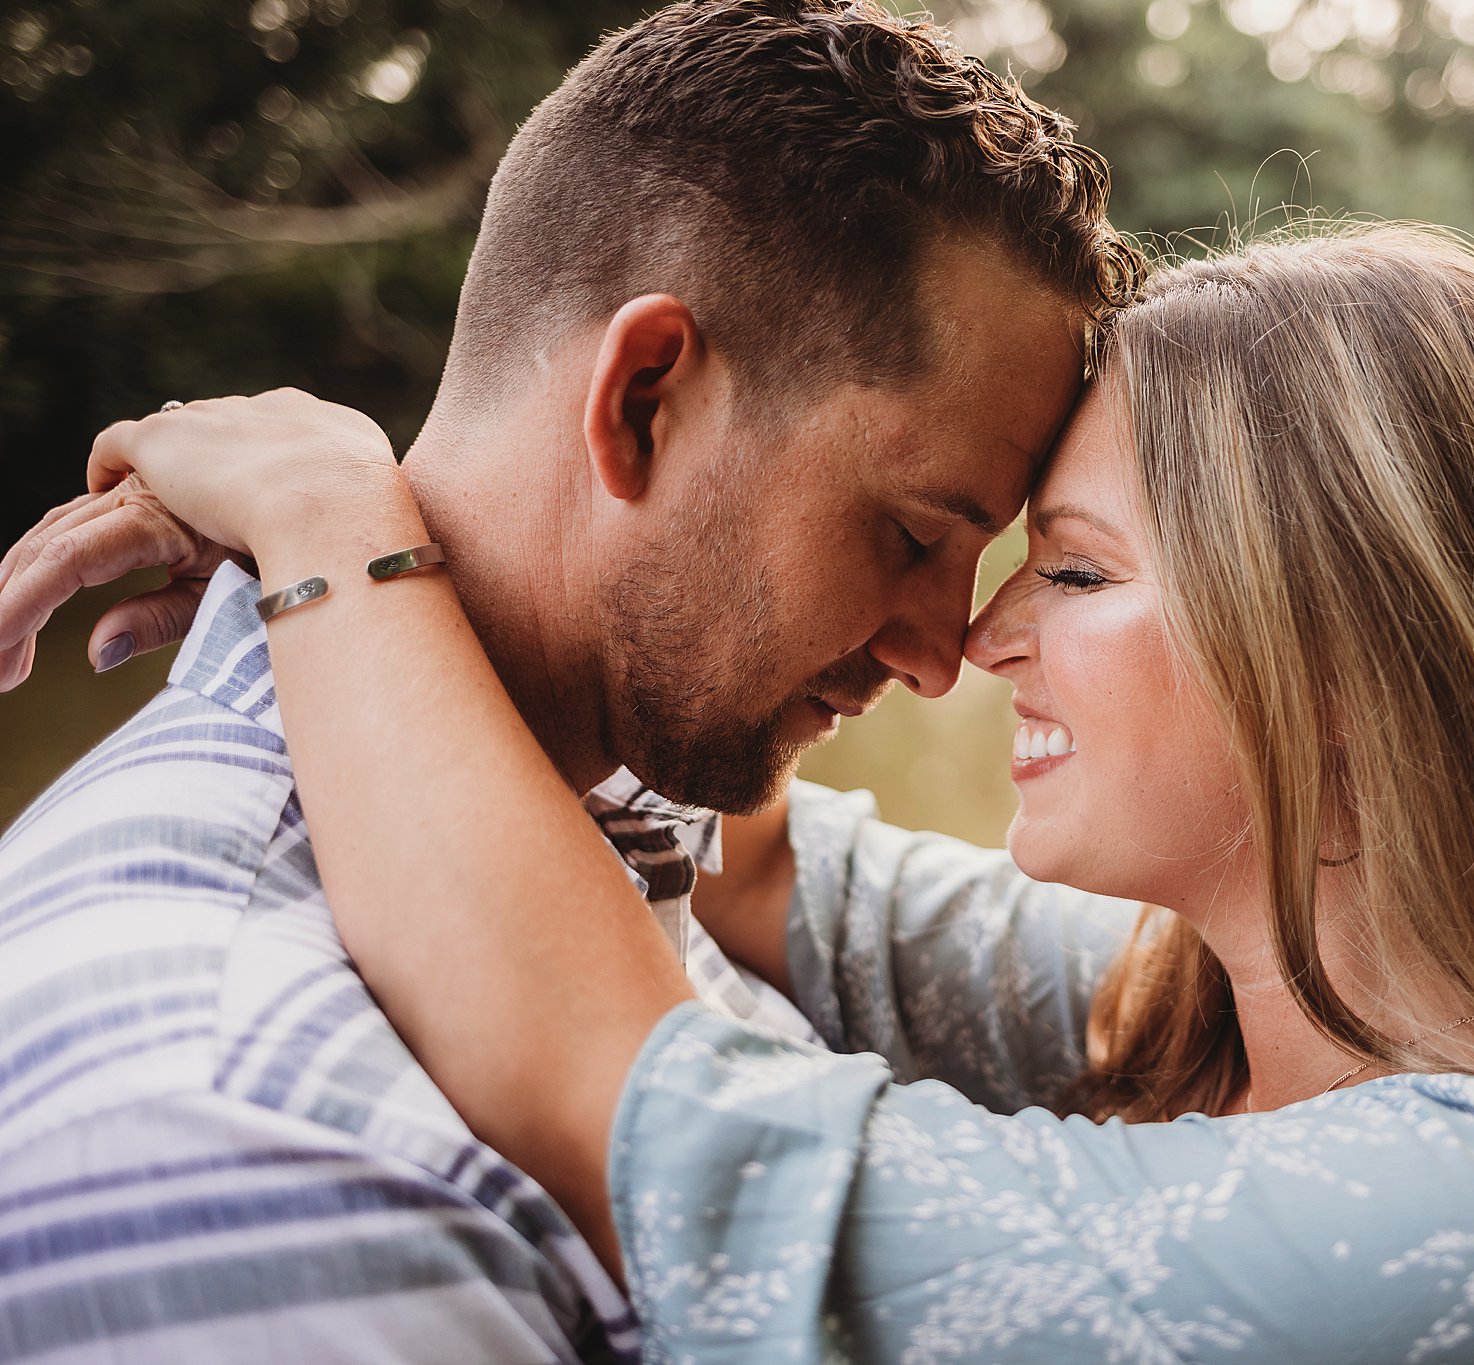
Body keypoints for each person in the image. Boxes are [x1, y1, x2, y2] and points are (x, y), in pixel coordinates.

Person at [4, 225, 1474, 1362]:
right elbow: (754, 858)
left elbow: (632, 1101)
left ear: (1346, 656)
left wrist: (329, 513)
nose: (969, 648)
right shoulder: (1244, 998)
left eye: (1062, 570)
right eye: (958, 554)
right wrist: (553, 539)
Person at [0, 1, 1138, 1358]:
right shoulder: (237, 1128)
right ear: (642, 396)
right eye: (907, 535)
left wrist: (333, 529)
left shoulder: (631, 805)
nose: (943, 657)